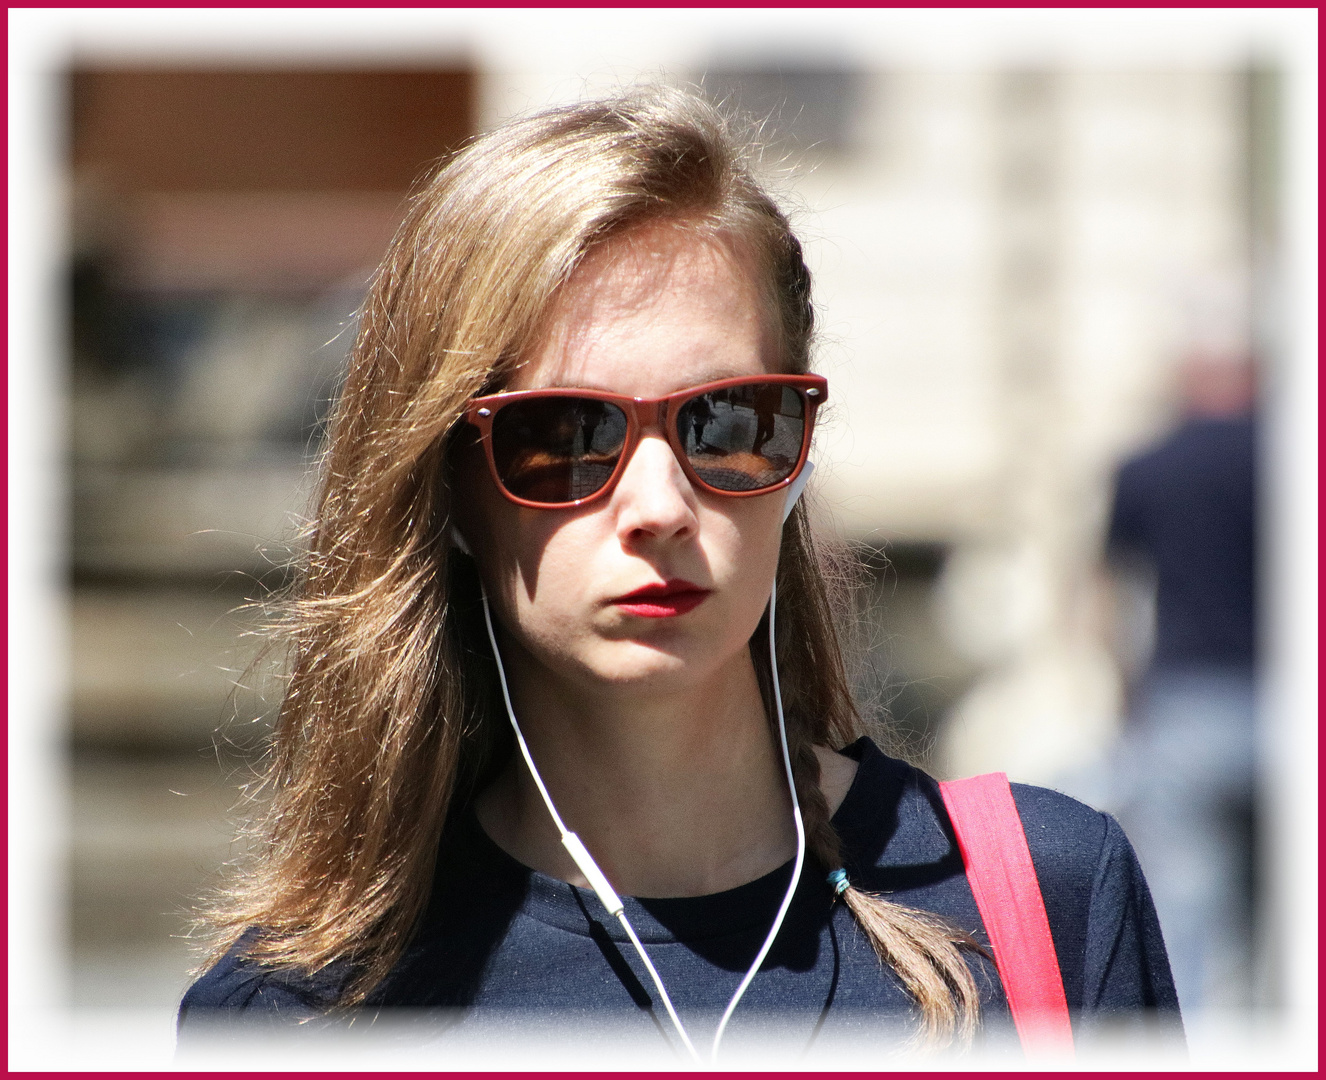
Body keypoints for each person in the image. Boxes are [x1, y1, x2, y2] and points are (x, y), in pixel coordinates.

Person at [179, 88, 1179, 1063]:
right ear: (445, 488)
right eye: (564, 435)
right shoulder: (298, 1017)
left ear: (799, 454)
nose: (659, 506)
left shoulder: (1051, 901)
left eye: (730, 422)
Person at [1104, 352, 1258, 1013]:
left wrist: (1125, 699)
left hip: (1189, 704)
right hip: (1290, 705)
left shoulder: (1148, 467)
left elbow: (1113, 599)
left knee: (1190, 909)